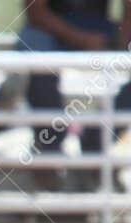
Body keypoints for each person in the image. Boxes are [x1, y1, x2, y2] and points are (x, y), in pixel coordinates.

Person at [17, 0, 131, 154]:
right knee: (36, 51)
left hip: (98, 27)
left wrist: (119, 41)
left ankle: (96, 141)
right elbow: (36, 13)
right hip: (50, 30)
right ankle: (50, 144)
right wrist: (85, 39)